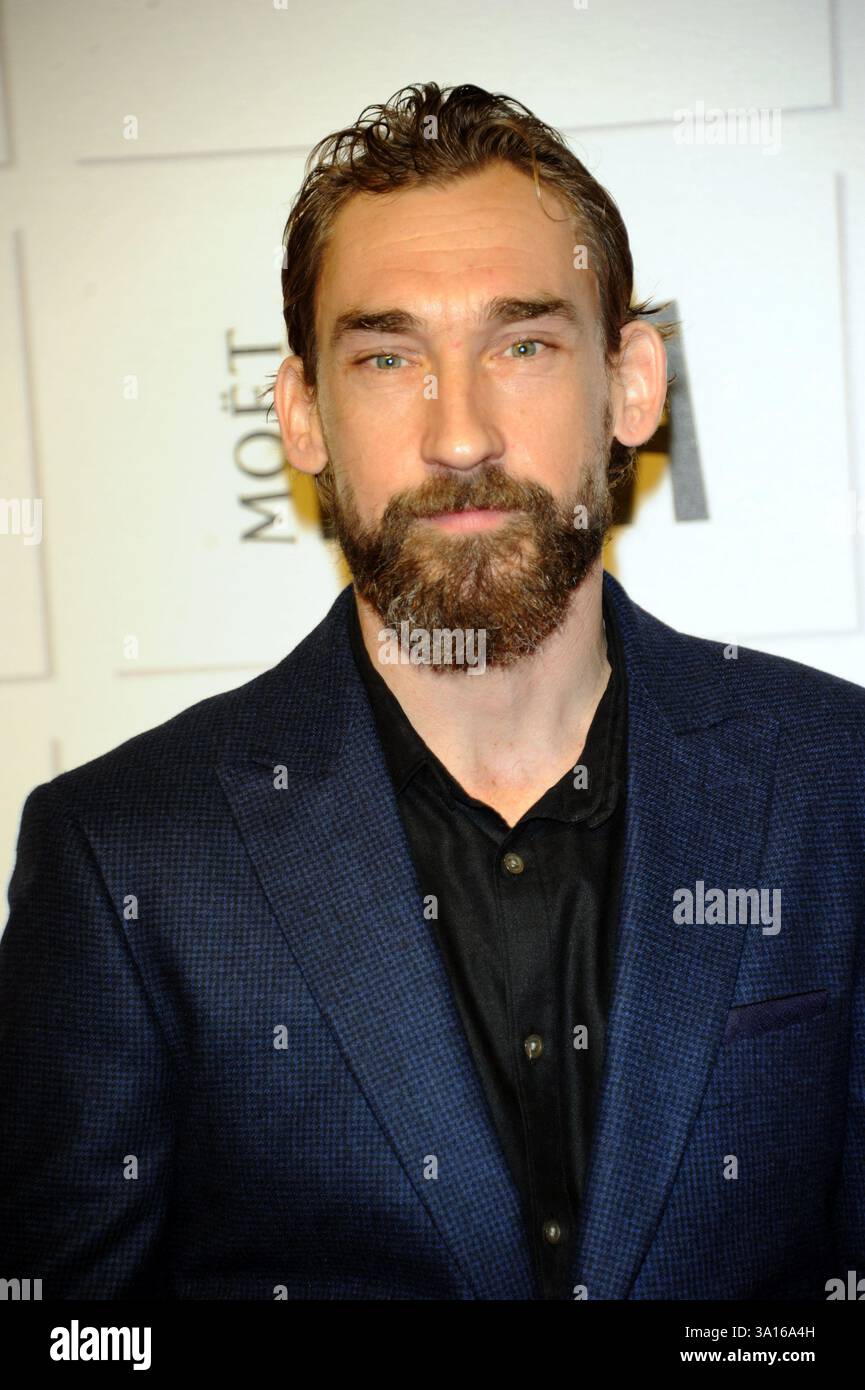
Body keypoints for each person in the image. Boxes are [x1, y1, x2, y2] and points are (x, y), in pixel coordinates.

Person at [1, 83, 863, 1301]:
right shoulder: (125, 854)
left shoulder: (835, 782)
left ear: (630, 384)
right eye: (388, 354)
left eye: (522, 345)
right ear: (302, 414)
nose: (459, 432)